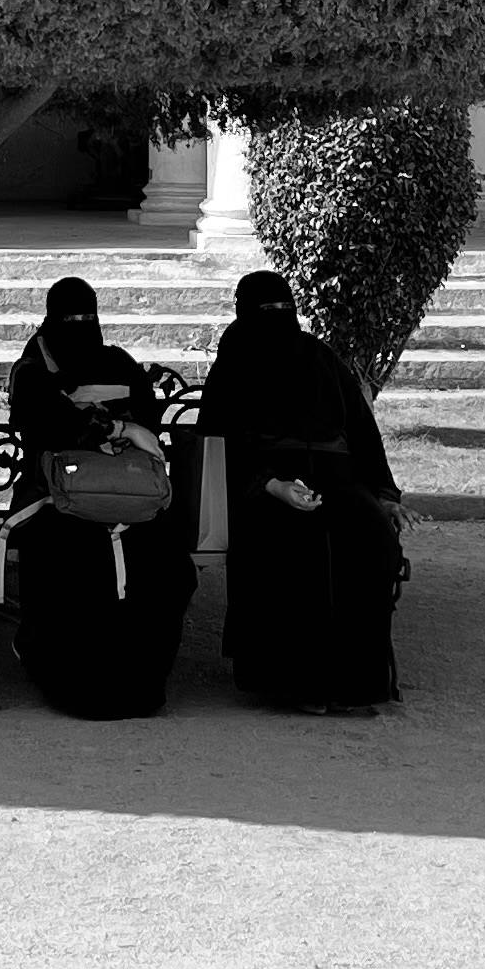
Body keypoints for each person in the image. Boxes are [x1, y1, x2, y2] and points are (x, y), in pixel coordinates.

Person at [194, 269, 407, 713]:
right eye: (267, 310)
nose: (276, 319)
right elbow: (218, 440)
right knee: (295, 543)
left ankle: (355, 684)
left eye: (283, 310)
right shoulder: (236, 361)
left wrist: (384, 498)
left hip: (338, 479)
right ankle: (300, 685)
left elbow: (362, 432)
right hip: (264, 485)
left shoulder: (320, 356)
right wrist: (271, 485)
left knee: (369, 540)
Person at [0, 274, 196, 718]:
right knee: (75, 563)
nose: (80, 329)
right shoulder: (37, 370)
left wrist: (107, 431)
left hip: (124, 500)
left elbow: (143, 420)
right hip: (56, 501)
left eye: (85, 320)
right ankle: (91, 684)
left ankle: (135, 684)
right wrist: (115, 428)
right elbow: (47, 421)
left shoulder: (90, 365)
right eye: (73, 321)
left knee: (164, 567)